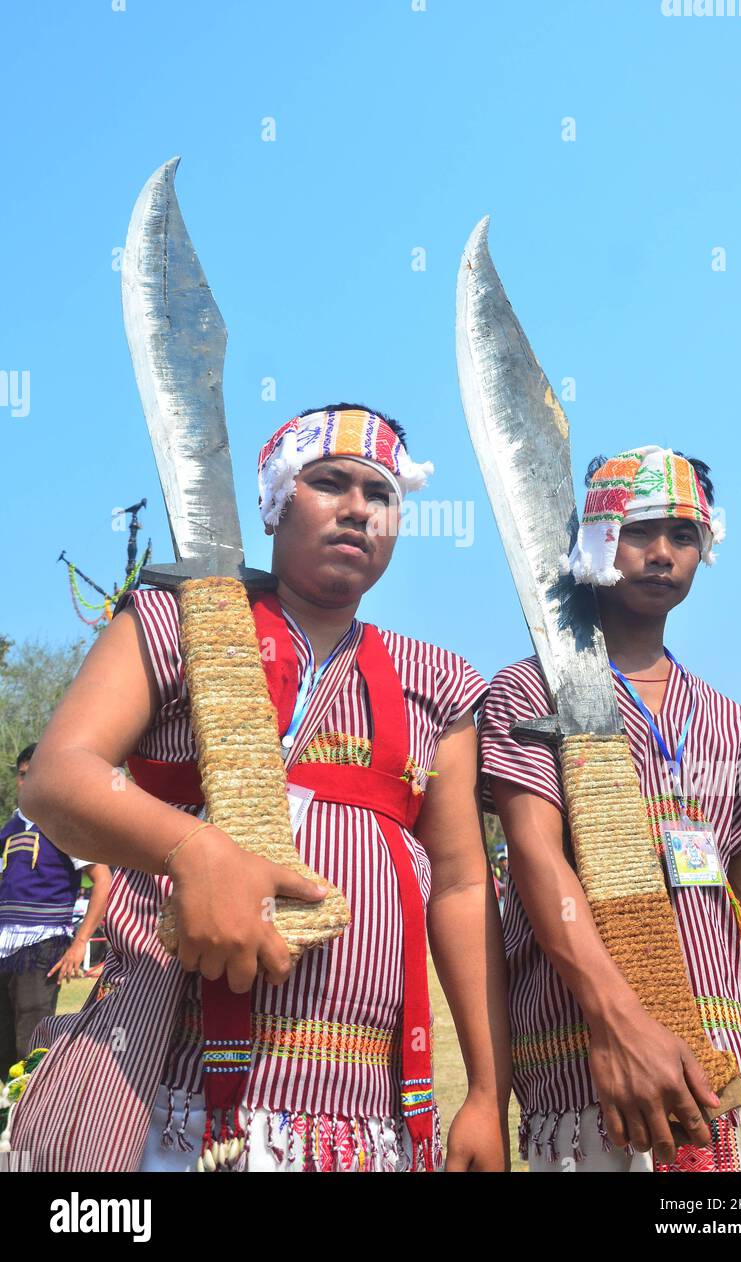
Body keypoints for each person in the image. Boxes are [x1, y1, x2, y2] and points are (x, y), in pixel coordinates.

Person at [10, 404, 511, 1172]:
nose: (357, 508)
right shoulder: (176, 618)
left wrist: (484, 1090)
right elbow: (57, 776)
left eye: (380, 495)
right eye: (329, 482)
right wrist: (195, 848)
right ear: (276, 502)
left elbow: (462, 884)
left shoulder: (438, 682)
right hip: (169, 1090)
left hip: (362, 1109)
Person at [480, 445, 741, 1173]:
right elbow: (535, 858)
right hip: (593, 1066)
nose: (663, 553)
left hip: (736, 1072)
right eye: (638, 531)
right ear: (596, 539)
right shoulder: (527, 692)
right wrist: (619, 1022)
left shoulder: (728, 719)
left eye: (683, 534)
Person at [0, 745, 111, 1079]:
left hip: (44, 940)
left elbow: (102, 880)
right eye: (23, 775)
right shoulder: (8, 830)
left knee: (31, 1036)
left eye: (36, 773)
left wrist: (80, 944)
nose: (28, 781)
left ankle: (35, 1115)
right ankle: (11, 1116)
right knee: (3, 1038)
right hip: (3, 943)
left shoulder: (64, 822)